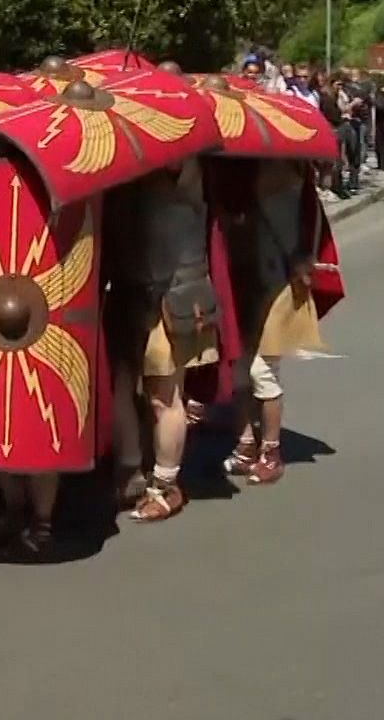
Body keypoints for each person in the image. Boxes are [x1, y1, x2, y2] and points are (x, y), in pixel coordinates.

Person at [205, 158, 340, 487]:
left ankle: (271, 451)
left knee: (262, 371)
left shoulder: (293, 174)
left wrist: (304, 260)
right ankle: (245, 441)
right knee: (238, 365)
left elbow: (309, 226)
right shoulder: (232, 170)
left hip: (277, 279)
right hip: (240, 276)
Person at [104, 158, 221, 522]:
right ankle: (131, 471)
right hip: (130, 287)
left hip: (172, 292)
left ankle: (167, 485)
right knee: (124, 386)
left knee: (163, 395)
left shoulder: (181, 160)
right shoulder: (133, 156)